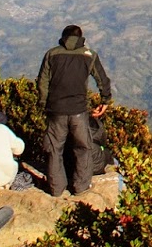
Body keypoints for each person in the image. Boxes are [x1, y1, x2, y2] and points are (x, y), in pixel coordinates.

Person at [36, 24, 112, 197]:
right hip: (79, 111)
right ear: (81, 38)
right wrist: (105, 100)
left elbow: (42, 82)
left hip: (56, 110)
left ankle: (56, 188)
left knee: (55, 149)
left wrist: (44, 104)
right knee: (83, 147)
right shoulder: (89, 55)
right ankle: (81, 187)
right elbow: (102, 80)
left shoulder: (52, 54)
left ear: (63, 37)